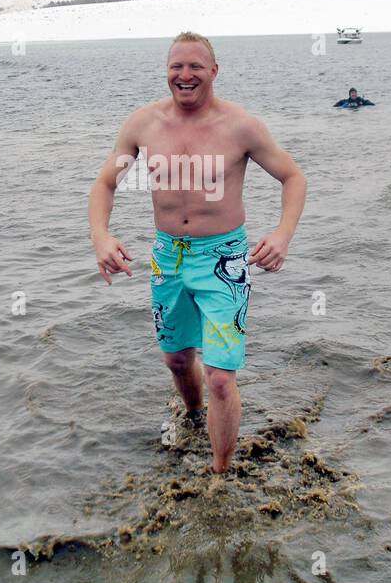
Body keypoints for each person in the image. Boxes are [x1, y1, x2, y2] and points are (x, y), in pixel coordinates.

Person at [88, 32, 308, 474]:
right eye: (176, 67)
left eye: (195, 67)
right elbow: (105, 183)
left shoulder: (241, 126)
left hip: (224, 259)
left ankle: (220, 474)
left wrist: (282, 235)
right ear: (167, 71)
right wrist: (101, 236)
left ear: (213, 72)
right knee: (176, 357)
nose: (185, 76)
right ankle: (191, 415)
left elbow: (293, 177)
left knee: (221, 377)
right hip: (166, 257)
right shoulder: (142, 125)